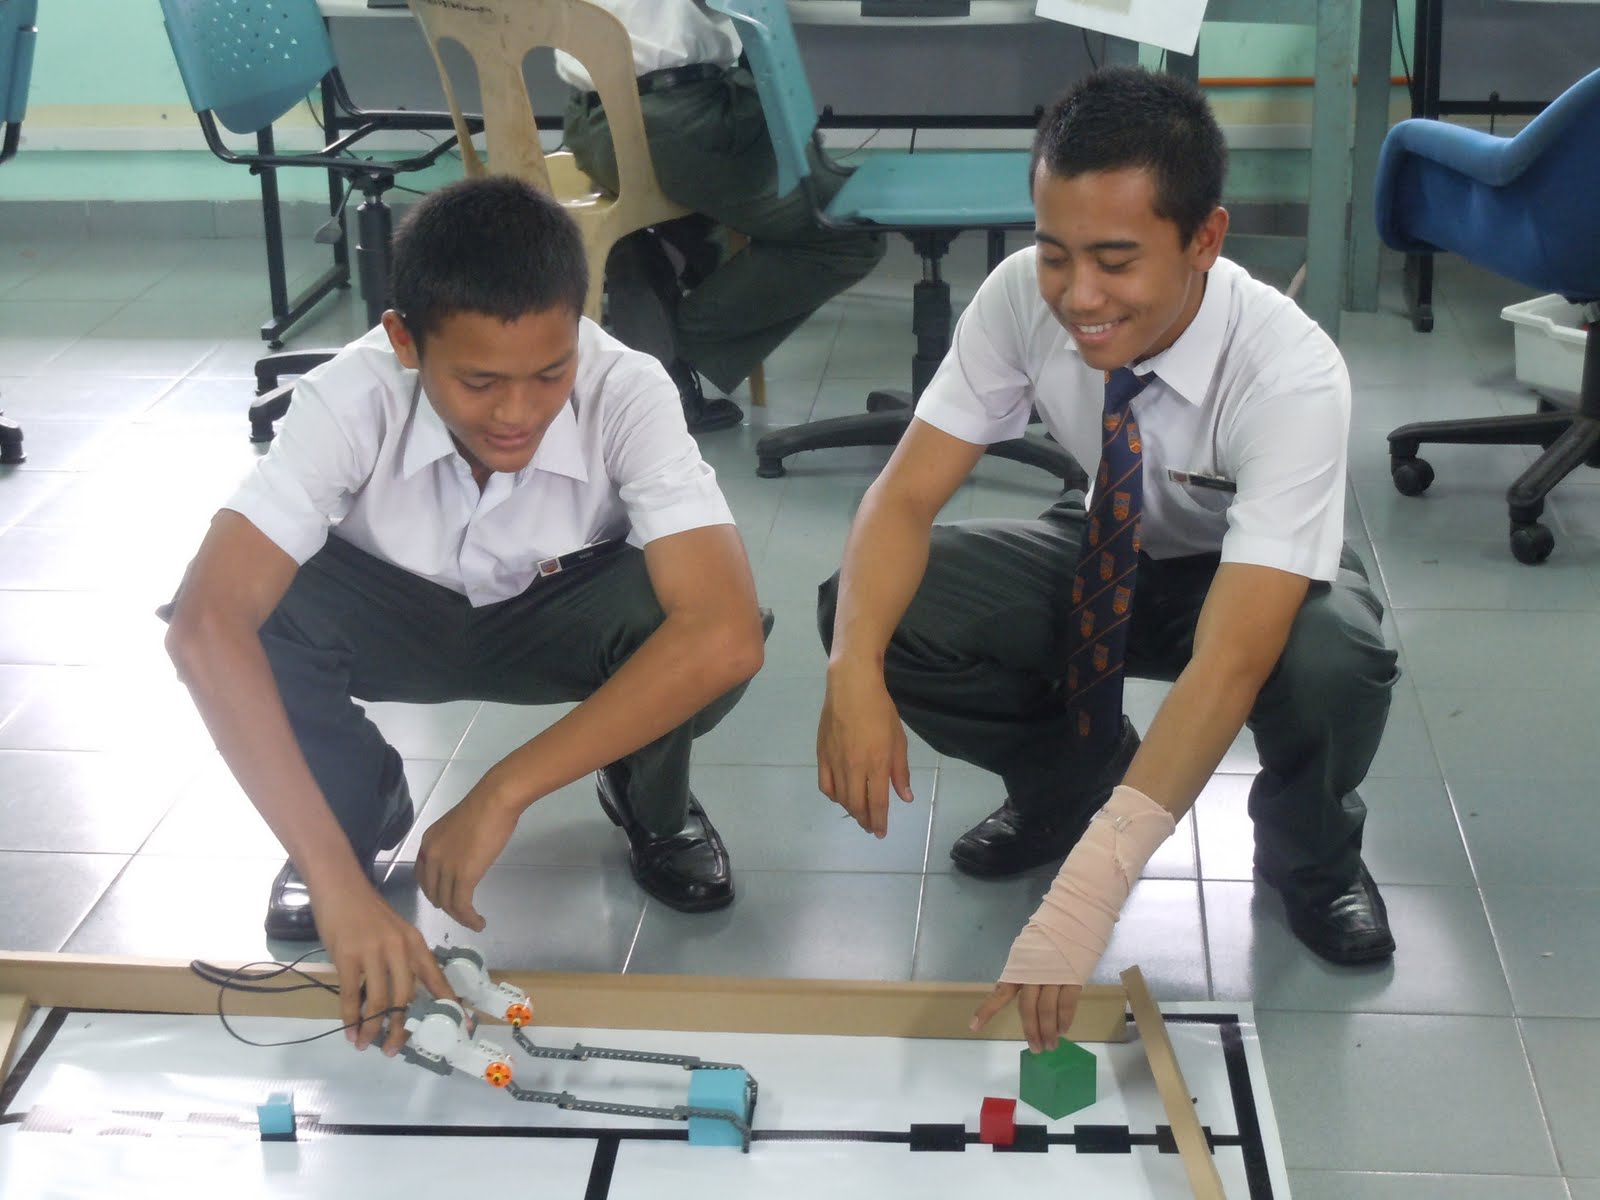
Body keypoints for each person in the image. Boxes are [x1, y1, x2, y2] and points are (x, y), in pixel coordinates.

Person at [814, 67, 1401, 1051]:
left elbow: (1229, 661)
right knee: (874, 608)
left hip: (1247, 571)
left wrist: (1088, 897)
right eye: (1054, 254)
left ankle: (1313, 862)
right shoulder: (1019, 299)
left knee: (1331, 655)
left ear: (1203, 240)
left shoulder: (1289, 371)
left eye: (1116, 261)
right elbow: (904, 497)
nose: (1077, 296)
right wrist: (851, 671)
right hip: (1102, 538)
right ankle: (1066, 790)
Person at [164, 176, 768, 1055]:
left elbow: (724, 633)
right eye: (480, 381)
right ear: (405, 340)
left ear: (578, 321)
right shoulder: (347, 397)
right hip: (392, 613)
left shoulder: (628, 389)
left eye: (549, 373)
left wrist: (501, 791)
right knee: (252, 618)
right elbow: (202, 626)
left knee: (688, 624)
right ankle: (348, 821)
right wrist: (340, 888)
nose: (517, 412)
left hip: (561, 614)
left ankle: (652, 801)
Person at [558, 0, 886, 433]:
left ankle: (653, 256)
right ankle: (664, 351)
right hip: (671, 125)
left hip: (591, 122)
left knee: (777, 176)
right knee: (848, 227)